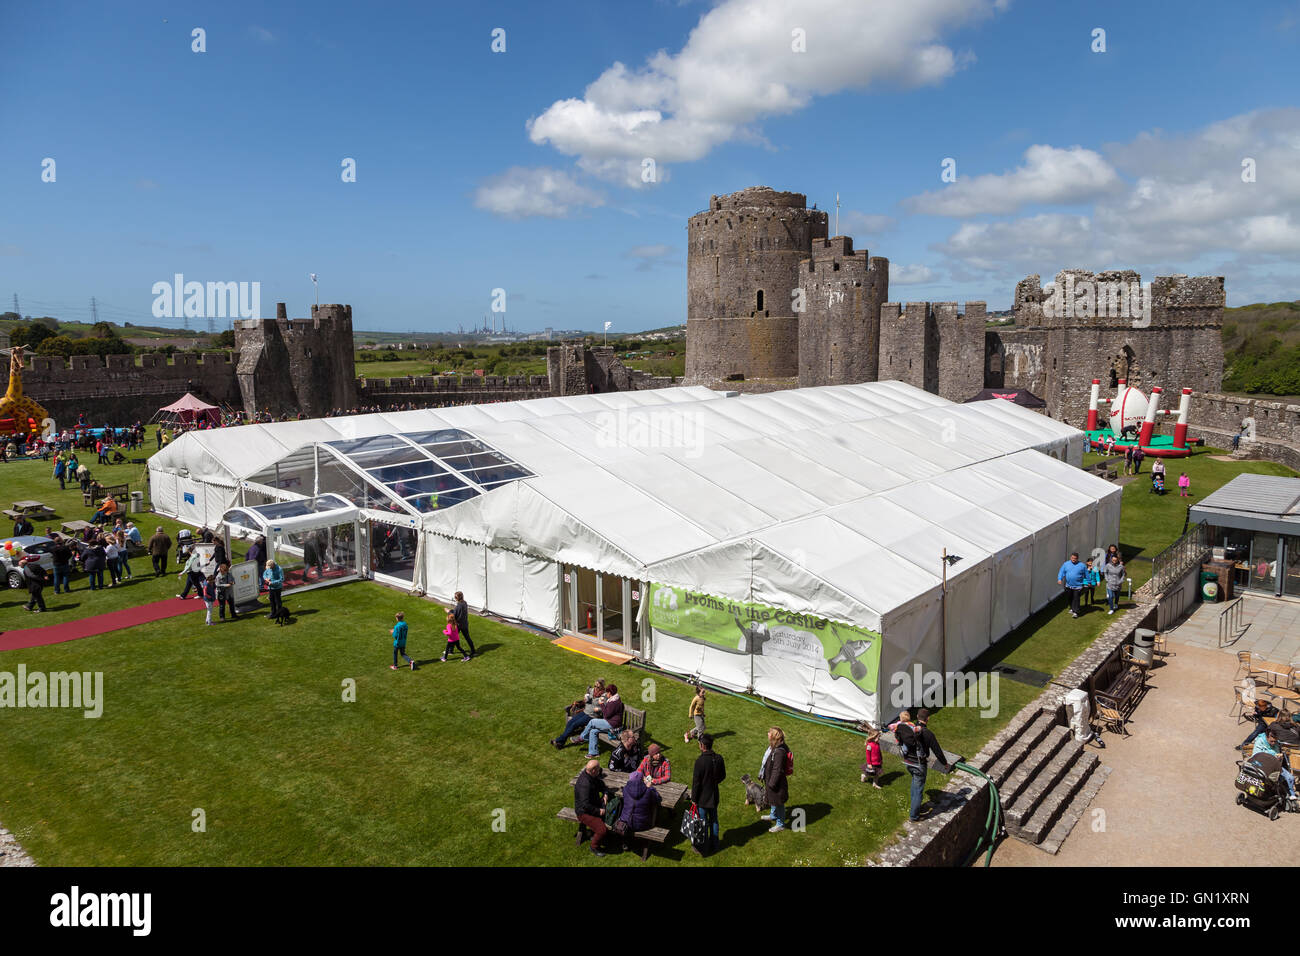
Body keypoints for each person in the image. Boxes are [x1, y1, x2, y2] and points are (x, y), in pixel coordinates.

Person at [897, 708, 954, 822]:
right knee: (918, 789)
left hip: (908, 761)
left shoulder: (909, 728)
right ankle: (914, 816)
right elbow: (937, 751)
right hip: (919, 764)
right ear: (928, 719)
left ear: (917, 717)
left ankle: (915, 807)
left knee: (915, 783)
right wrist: (945, 764)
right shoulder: (928, 733)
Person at [691, 733, 726, 854]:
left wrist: (694, 799)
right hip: (714, 795)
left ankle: (703, 847)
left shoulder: (700, 762)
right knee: (714, 820)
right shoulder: (719, 758)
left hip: (702, 798)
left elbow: (696, 783)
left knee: (702, 823)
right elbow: (723, 776)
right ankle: (715, 845)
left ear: (702, 746)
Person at [573, 759, 612, 858]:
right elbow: (585, 805)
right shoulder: (585, 784)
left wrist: (605, 794)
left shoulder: (591, 776)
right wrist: (599, 811)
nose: (600, 770)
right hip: (583, 812)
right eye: (598, 769)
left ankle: (593, 834)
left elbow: (602, 786)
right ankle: (594, 846)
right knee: (601, 830)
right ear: (593, 770)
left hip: (593, 805)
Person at [1249, 727, 1297, 803]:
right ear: (1267, 737)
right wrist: (1272, 757)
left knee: (1290, 777)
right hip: (1261, 765)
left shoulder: (1276, 743)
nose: (1273, 743)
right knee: (1274, 778)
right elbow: (1257, 756)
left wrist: (1279, 758)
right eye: (1271, 741)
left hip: (1275, 765)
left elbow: (1277, 755)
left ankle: (1291, 794)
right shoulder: (1260, 742)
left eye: (1275, 741)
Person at [580, 683, 624, 756]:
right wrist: (604, 703)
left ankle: (582, 737)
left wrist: (601, 704)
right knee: (593, 731)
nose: (606, 693)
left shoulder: (614, 702)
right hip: (612, 724)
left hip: (613, 726)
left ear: (610, 693)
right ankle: (593, 753)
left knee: (592, 722)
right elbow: (608, 712)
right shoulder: (615, 699)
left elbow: (606, 715)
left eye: (607, 692)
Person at [761, 726, 790, 833]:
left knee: (779, 802)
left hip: (776, 782)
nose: (767, 733)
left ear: (773, 736)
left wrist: (771, 784)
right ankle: (773, 815)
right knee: (773, 800)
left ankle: (780, 824)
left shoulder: (779, 752)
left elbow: (777, 770)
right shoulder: (775, 746)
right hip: (771, 780)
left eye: (769, 732)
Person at [618, 769, 662, 839]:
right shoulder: (648, 791)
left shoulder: (625, 789)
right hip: (643, 824)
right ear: (642, 780)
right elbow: (658, 799)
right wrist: (650, 787)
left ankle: (625, 842)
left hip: (625, 823)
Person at [1058, 551, 1088, 618]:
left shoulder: (1082, 565)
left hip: (1078, 586)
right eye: (1072, 558)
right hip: (1068, 585)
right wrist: (1060, 579)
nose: (1073, 559)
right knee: (1070, 598)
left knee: (1076, 598)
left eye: (1075, 558)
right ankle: (1072, 608)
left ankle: (1075, 612)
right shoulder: (1066, 564)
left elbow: (1086, 574)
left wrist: (1087, 582)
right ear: (1070, 557)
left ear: (1078, 558)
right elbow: (1061, 571)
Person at [452, 591, 476, 659]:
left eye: (455, 597)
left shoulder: (458, 606)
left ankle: (450, 650)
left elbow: (454, 616)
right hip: (465, 624)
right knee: (467, 638)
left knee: (453, 637)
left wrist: (449, 612)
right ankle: (473, 650)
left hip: (459, 625)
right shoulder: (464, 603)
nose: (454, 598)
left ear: (457, 598)